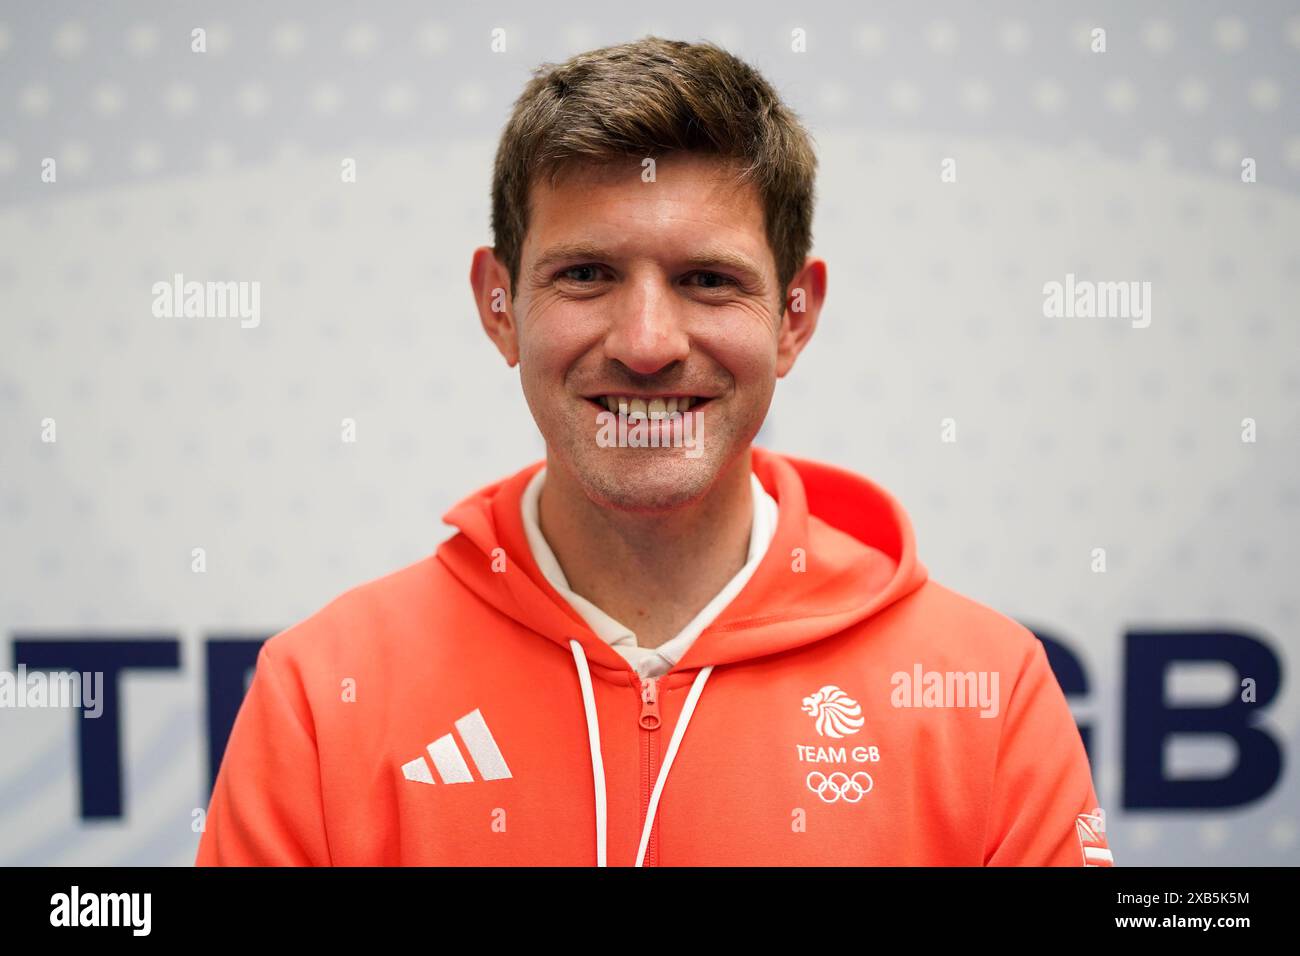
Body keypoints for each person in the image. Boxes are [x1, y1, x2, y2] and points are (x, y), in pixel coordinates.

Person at [195, 36, 1110, 867]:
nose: (646, 342)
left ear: (795, 320)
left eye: (707, 281)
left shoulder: (985, 695)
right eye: (586, 274)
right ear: (498, 304)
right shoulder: (322, 695)